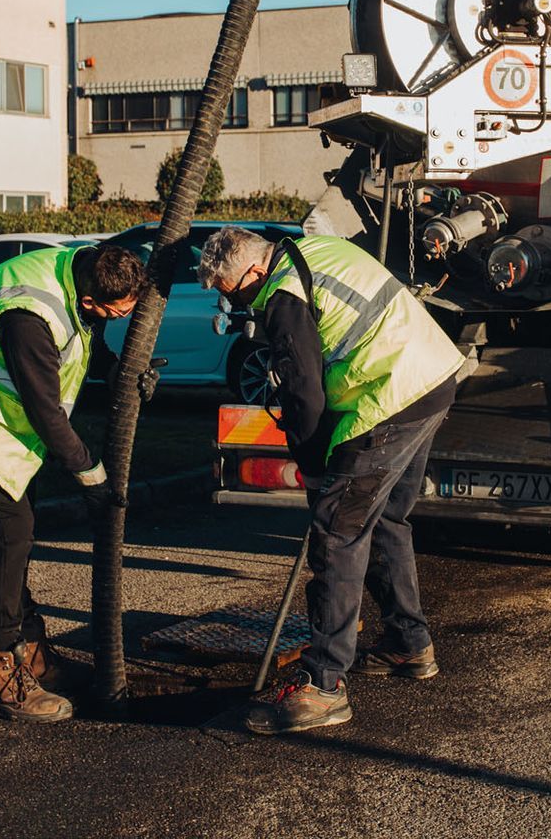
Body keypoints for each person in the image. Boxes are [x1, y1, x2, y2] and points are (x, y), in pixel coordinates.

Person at [198, 226, 463, 734]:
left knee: (338, 531)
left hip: (388, 394)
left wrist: (316, 469)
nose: (238, 306)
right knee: (383, 518)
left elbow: (303, 394)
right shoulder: (314, 247)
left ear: (255, 272)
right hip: (429, 378)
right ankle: (409, 644)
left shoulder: (281, 295)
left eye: (234, 293)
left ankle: (324, 684)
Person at [0, 241, 155, 721]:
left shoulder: (82, 266)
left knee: (15, 533)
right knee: (9, 533)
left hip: (1, 411)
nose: (118, 320)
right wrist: (92, 475)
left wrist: (127, 373)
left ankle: (29, 646)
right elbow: (45, 411)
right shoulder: (29, 316)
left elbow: (86, 345)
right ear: (89, 301)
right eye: (115, 314)